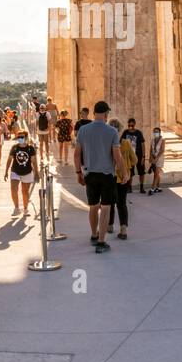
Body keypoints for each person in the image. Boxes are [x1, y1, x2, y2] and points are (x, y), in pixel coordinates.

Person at [74, 100, 123, 253]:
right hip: (107, 175)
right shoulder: (112, 132)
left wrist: (78, 172)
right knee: (106, 208)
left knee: (93, 207)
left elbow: (77, 155)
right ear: (106, 113)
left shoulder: (83, 130)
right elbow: (117, 156)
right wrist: (124, 173)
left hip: (89, 174)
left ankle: (94, 235)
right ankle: (102, 242)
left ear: (94, 113)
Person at [107, 119, 135, 240]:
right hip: (124, 177)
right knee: (122, 203)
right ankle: (123, 229)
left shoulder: (106, 144)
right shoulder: (126, 143)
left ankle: (110, 225)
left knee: (110, 202)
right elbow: (135, 160)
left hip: (110, 177)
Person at [4, 130, 39, 217]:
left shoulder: (30, 148)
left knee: (25, 192)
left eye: (22, 137)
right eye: (18, 137)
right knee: (13, 189)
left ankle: (26, 208)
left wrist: (37, 173)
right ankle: (16, 208)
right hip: (15, 171)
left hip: (27, 172)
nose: (20, 138)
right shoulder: (14, 148)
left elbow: (34, 161)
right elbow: (9, 159)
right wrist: (6, 171)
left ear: (26, 138)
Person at [122, 118, 147, 194]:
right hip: (129, 156)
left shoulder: (138, 133)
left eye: (132, 125)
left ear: (134, 124)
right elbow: (121, 142)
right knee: (130, 172)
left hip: (138, 155)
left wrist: (143, 157)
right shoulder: (125, 132)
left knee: (141, 172)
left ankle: (141, 187)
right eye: (129, 125)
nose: (130, 127)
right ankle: (129, 188)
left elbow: (143, 145)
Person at [148, 125, 165, 193]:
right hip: (153, 158)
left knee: (156, 174)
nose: (155, 133)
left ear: (160, 132)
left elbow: (162, 150)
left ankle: (152, 188)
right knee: (156, 173)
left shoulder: (162, 140)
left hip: (159, 158)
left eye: (157, 132)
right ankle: (158, 187)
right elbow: (150, 150)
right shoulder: (152, 140)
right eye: (154, 132)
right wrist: (151, 157)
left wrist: (156, 158)